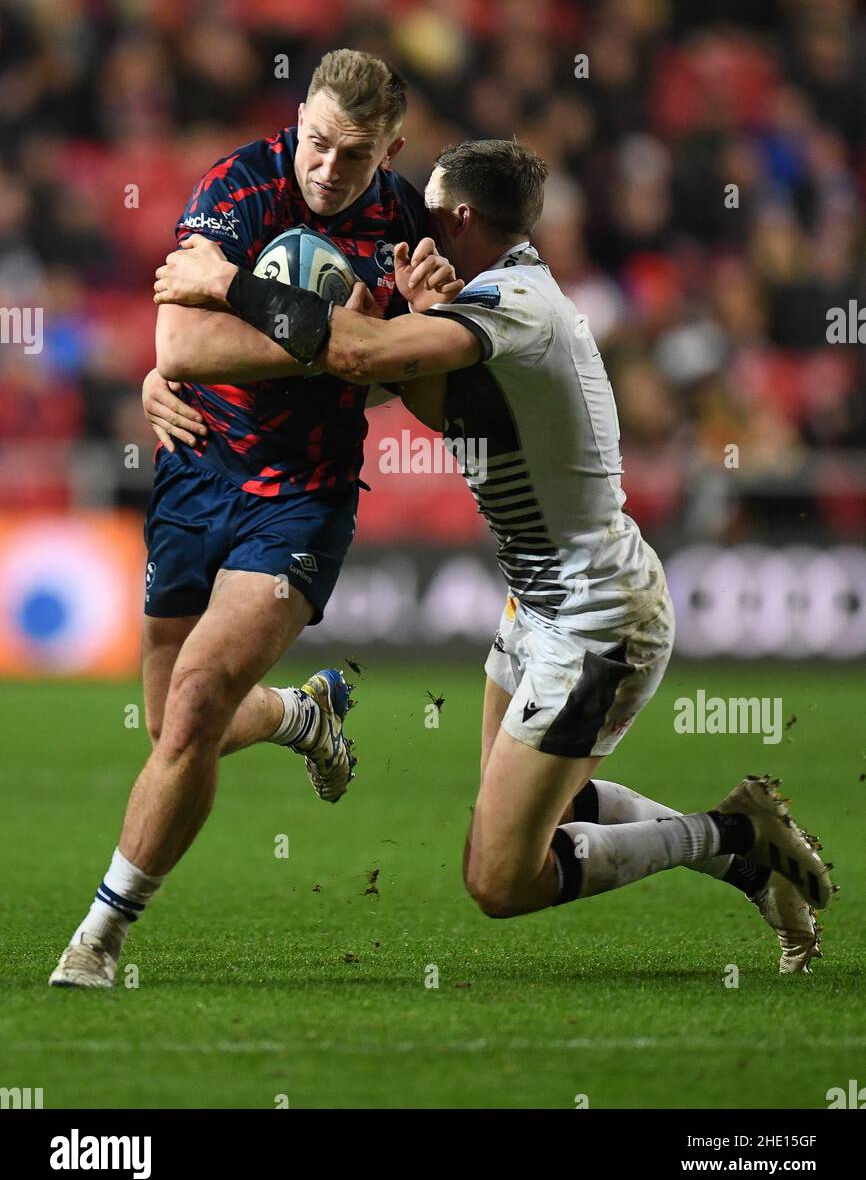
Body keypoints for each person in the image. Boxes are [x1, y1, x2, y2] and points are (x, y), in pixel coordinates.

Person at [154, 137, 833, 973]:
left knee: (500, 878)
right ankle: (743, 846)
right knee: (548, 804)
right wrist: (177, 373)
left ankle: (734, 836)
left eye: (429, 211)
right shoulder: (482, 298)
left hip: (596, 616)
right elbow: (398, 393)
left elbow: (357, 355)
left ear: (462, 217)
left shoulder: (518, 304)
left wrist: (225, 284)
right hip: (537, 603)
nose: (411, 221)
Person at [48, 49, 458, 990]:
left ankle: (100, 937)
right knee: (169, 728)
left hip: (304, 495)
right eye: (316, 142)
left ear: (390, 149)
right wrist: (337, 346)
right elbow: (179, 345)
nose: (326, 169)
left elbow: (414, 383)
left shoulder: (408, 231)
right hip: (196, 464)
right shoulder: (240, 182)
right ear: (297, 121)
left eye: (353, 155)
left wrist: (379, 348)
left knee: (193, 703)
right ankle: (299, 716)